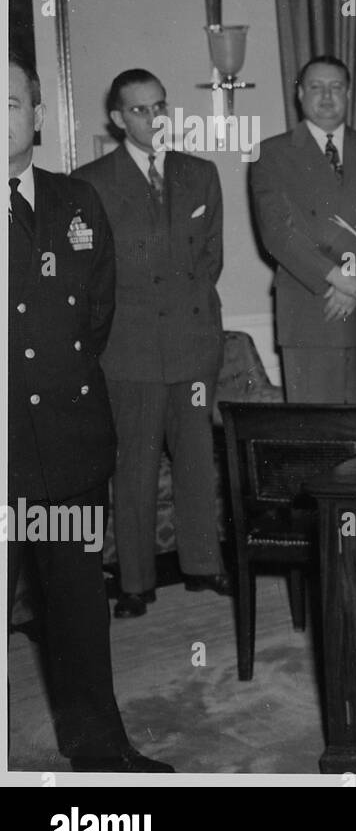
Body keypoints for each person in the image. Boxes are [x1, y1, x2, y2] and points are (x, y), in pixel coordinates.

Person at [8, 53, 171, 771]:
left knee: (77, 613)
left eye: (10, 102)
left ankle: (100, 749)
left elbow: (95, 318)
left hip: (70, 449)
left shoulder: (76, 202)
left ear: (38, 116)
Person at [73, 69, 230, 617]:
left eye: (160, 106)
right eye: (140, 110)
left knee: (194, 461)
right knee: (133, 468)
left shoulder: (200, 172)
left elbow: (211, 257)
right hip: (130, 349)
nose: (153, 118)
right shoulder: (90, 181)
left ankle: (203, 566)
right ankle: (135, 583)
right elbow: (88, 273)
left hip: (191, 345)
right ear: (117, 118)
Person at [250, 55, 356, 418]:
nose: (326, 97)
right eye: (316, 87)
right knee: (319, 433)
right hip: (311, 310)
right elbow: (276, 233)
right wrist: (336, 277)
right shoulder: (271, 154)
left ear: (349, 94)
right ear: (300, 94)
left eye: (336, 87)